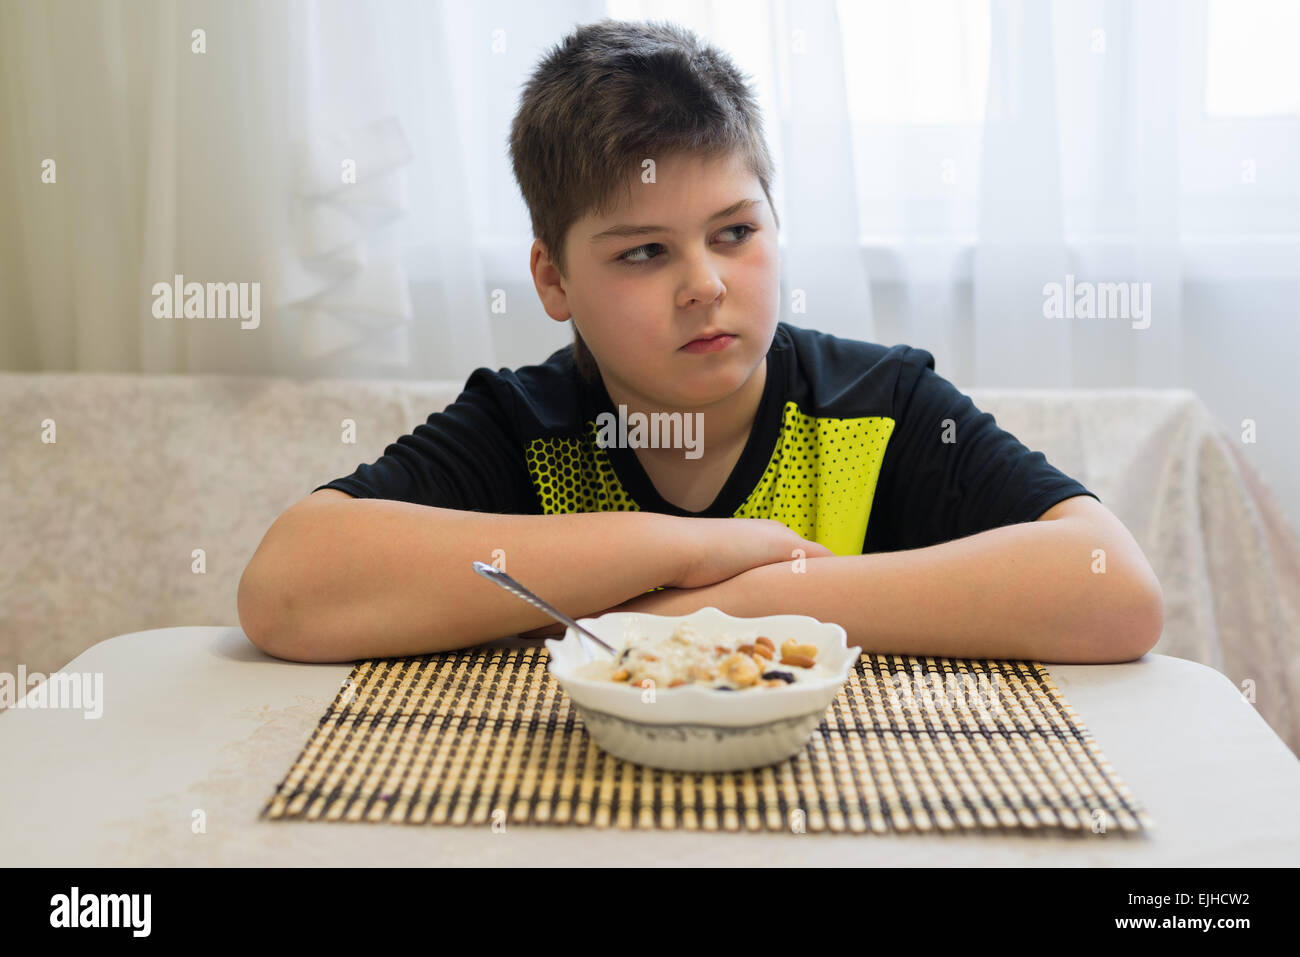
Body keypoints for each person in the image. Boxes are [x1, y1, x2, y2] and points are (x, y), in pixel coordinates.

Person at [237, 19, 1162, 665]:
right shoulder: (527, 426)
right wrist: (682, 549)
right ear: (553, 279)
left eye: (734, 233)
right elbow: (286, 587)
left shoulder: (877, 405)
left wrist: (739, 601)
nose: (707, 284)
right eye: (645, 251)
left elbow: (1115, 587)